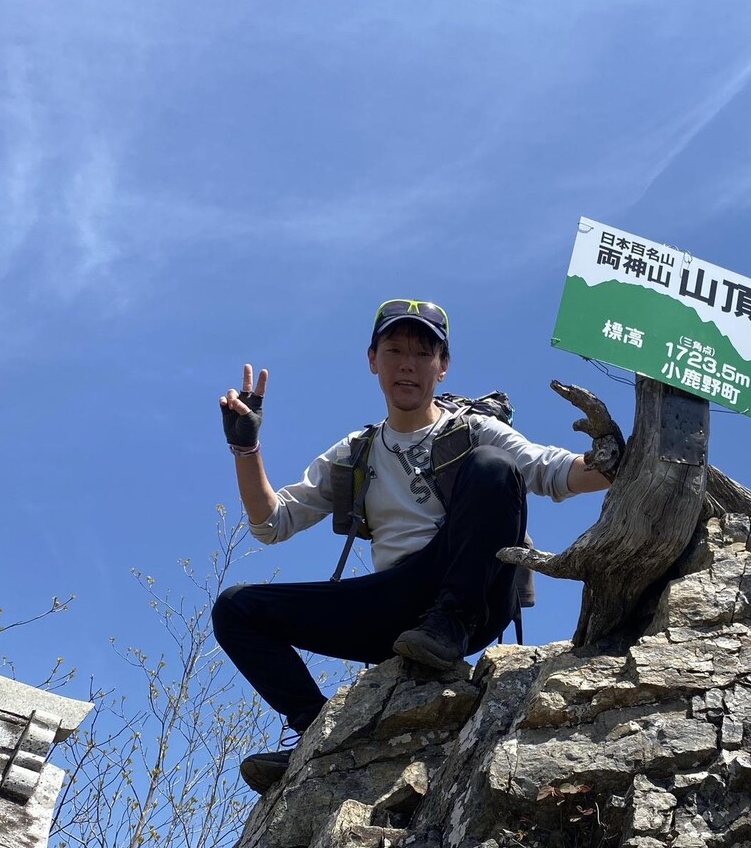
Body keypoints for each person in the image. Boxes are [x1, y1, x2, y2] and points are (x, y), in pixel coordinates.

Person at [212, 299, 614, 790]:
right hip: (394, 604)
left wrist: (616, 460)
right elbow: (272, 522)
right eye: (395, 349)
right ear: (372, 360)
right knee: (234, 609)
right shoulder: (356, 451)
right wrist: (245, 447)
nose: (408, 363)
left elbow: (551, 469)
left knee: (494, 466)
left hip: (473, 595)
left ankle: (449, 627)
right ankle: (315, 732)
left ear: (442, 367)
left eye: (424, 353)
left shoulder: (472, 429)